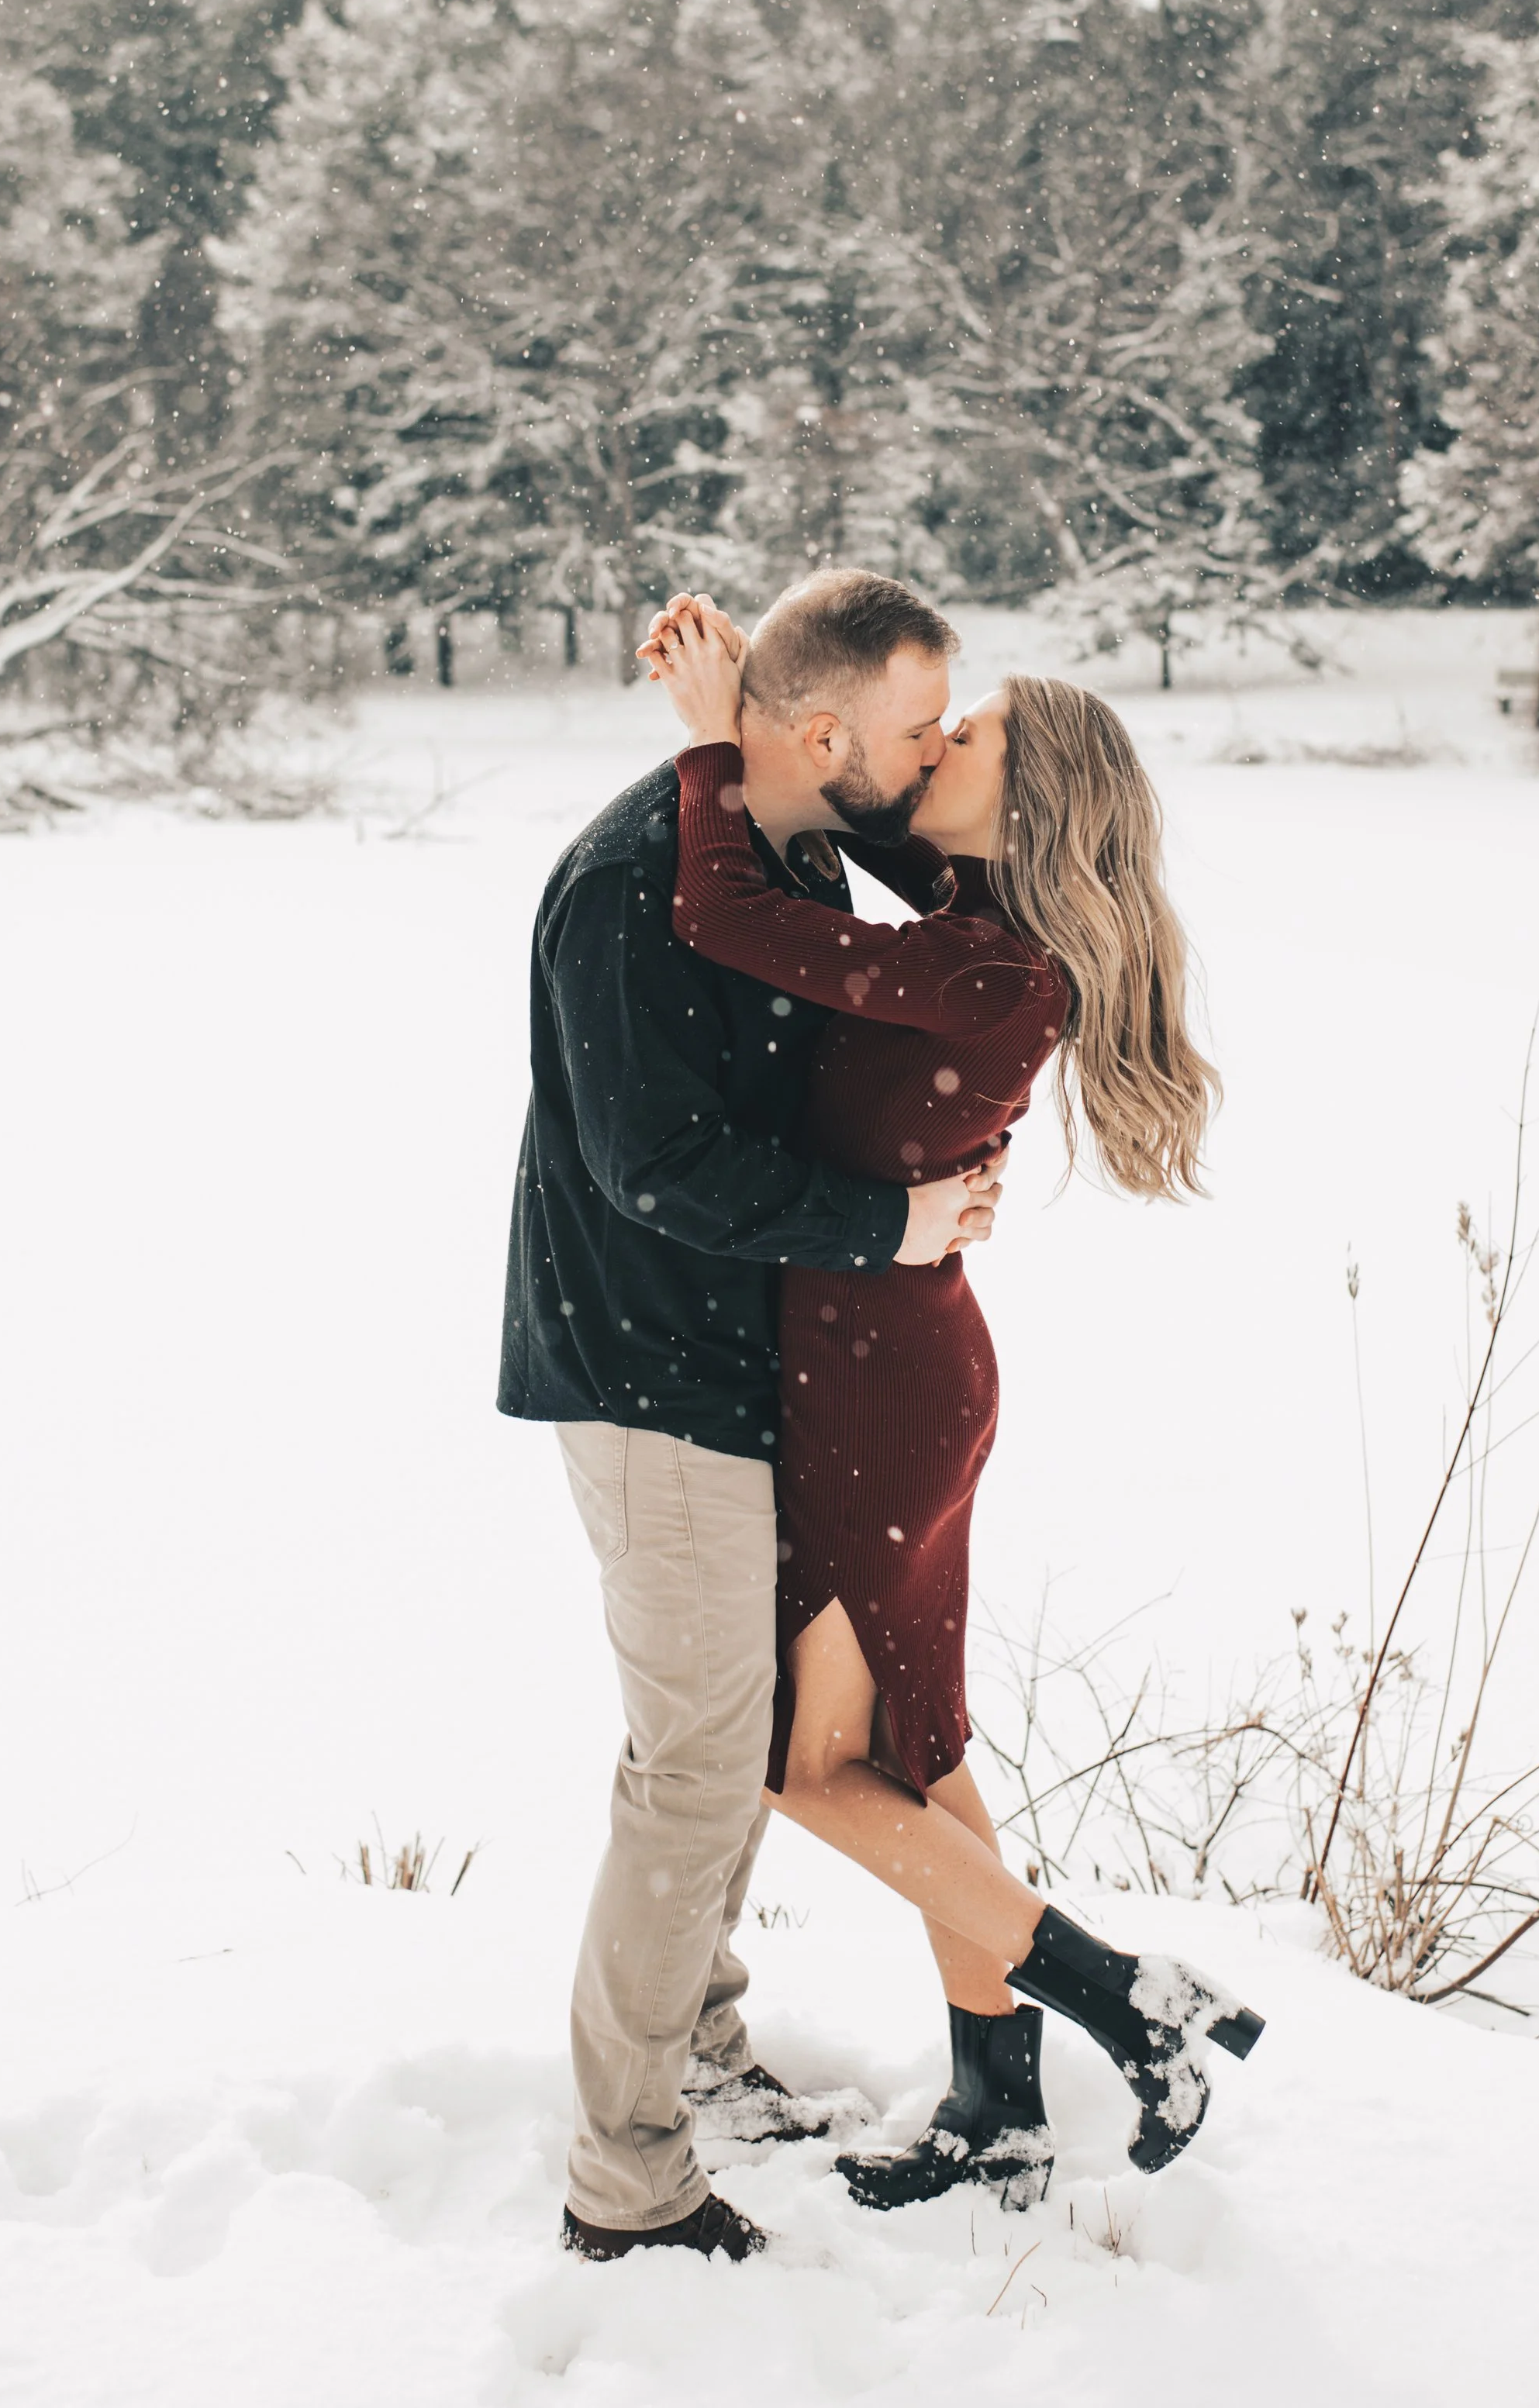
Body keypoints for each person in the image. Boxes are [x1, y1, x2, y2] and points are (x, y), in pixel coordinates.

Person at [644, 592, 1265, 2215]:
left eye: (963, 734)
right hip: (891, 1362)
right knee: (911, 1760)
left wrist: (715, 748)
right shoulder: (974, 923)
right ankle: (995, 2095)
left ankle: (1125, 1998)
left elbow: (731, 918)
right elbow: (840, 853)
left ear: (1023, 794)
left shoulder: (996, 972)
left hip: (879, 1387)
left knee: (810, 1768)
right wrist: (782, 726)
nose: (936, 742)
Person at [500, 569, 1006, 2264]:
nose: (936, 750)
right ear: (817, 736)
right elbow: (653, 1168)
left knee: (707, 1754)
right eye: (917, 725)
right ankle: (624, 2182)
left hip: (749, 1374)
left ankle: (693, 2045)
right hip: (648, 1378)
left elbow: (912, 946)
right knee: (700, 1768)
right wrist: (889, 1229)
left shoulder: (777, 844)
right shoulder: (630, 885)